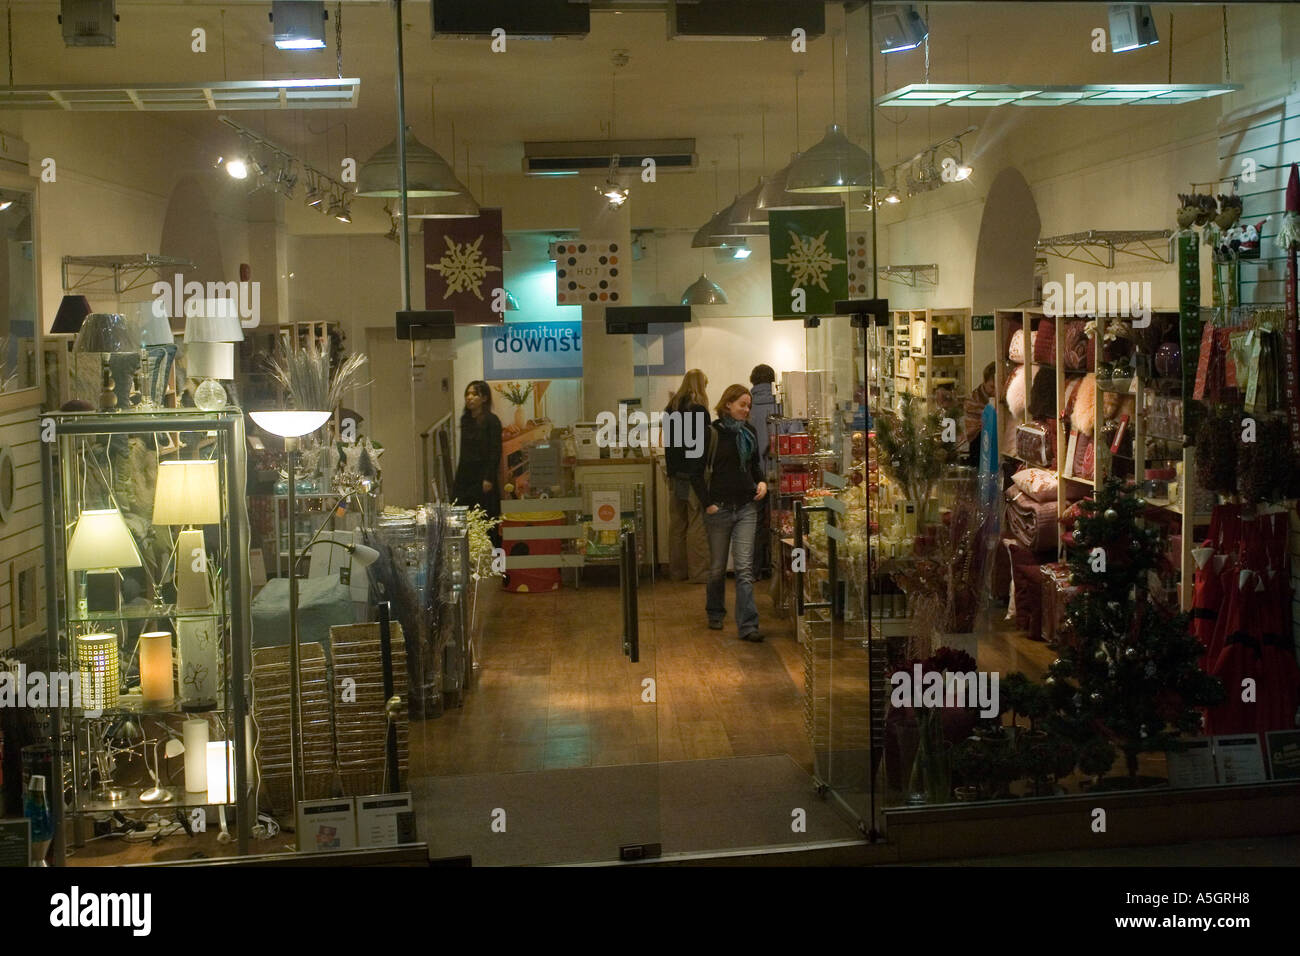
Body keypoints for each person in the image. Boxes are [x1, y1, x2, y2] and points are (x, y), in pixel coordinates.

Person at [693, 384, 768, 641]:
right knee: (717, 568)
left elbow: (755, 467)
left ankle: (748, 625)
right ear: (728, 404)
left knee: (744, 569)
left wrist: (762, 482)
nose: (746, 410)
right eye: (742, 405)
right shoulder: (710, 433)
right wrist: (707, 504)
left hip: (746, 507)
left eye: (748, 406)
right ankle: (715, 612)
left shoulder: (750, 431)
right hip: (719, 510)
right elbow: (696, 472)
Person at [664, 369, 711, 583]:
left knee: (677, 524)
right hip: (693, 475)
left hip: (675, 474)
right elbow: (701, 447)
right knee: (696, 522)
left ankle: (677, 571)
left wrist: (672, 471)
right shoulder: (700, 411)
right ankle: (698, 573)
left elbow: (669, 446)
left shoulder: (670, 409)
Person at [452, 381, 503, 541]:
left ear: (484, 398)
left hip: (484, 477)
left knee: (487, 519)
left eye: (474, 394)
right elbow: (464, 453)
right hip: (466, 476)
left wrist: (488, 477)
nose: (469, 398)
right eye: (467, 394)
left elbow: (495, 451)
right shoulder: (465, 420)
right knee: (464, 517)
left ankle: (493, 561)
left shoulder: (492, 421)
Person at [748, 364, 779, 580]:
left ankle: (755, 570)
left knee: (756, 523)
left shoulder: (746, 409)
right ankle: (777, 567)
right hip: (778, 473)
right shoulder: (780, 407)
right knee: (780, 520)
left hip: (754, 475)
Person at [964, 362, 997, 467]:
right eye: (992, 387)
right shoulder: (973, 400)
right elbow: (970, 428)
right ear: (984, 382)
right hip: (977, 446)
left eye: (998, 387)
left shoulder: (1002, 400)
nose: (995, 391)